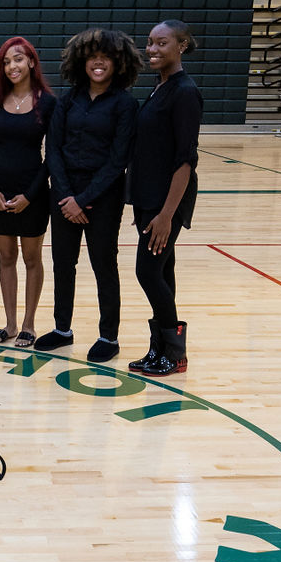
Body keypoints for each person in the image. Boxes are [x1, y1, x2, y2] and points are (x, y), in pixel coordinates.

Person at [37, 28, 139, 363]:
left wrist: (85, 199)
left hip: (104, 198)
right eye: (93, 56)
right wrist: (67, 196)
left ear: (118, 62)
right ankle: (62, 330)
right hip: (64, 196)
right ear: (82, 61)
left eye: (105, 57)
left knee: (103, 265)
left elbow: (118, 159)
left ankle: (109, 336)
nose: (98, 62)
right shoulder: (67, 101)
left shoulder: (125, 104)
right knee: (63, 264)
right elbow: (53, 150)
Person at [127, 20, 202, 377]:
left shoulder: (185, 92)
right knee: (162, 270)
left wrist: (167, 214)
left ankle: (173, 354)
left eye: (162, 43)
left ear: (182, 46)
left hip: (166, 202)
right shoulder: (160, 88)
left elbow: (185, 159)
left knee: (147, 270)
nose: (153, 50)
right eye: (150, 43)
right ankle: (161, 351)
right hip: (149, 197)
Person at [0, 36, 55, 347]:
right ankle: (9, 324)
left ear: (32, 62)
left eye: (18, 59)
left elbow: (53, 156)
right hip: (0, 192)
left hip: (33, 194)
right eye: (7, 62)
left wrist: (30, 196)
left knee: (32, 258)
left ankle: (28, 324)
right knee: (6, 258)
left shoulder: (48, 103)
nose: (12, 66)